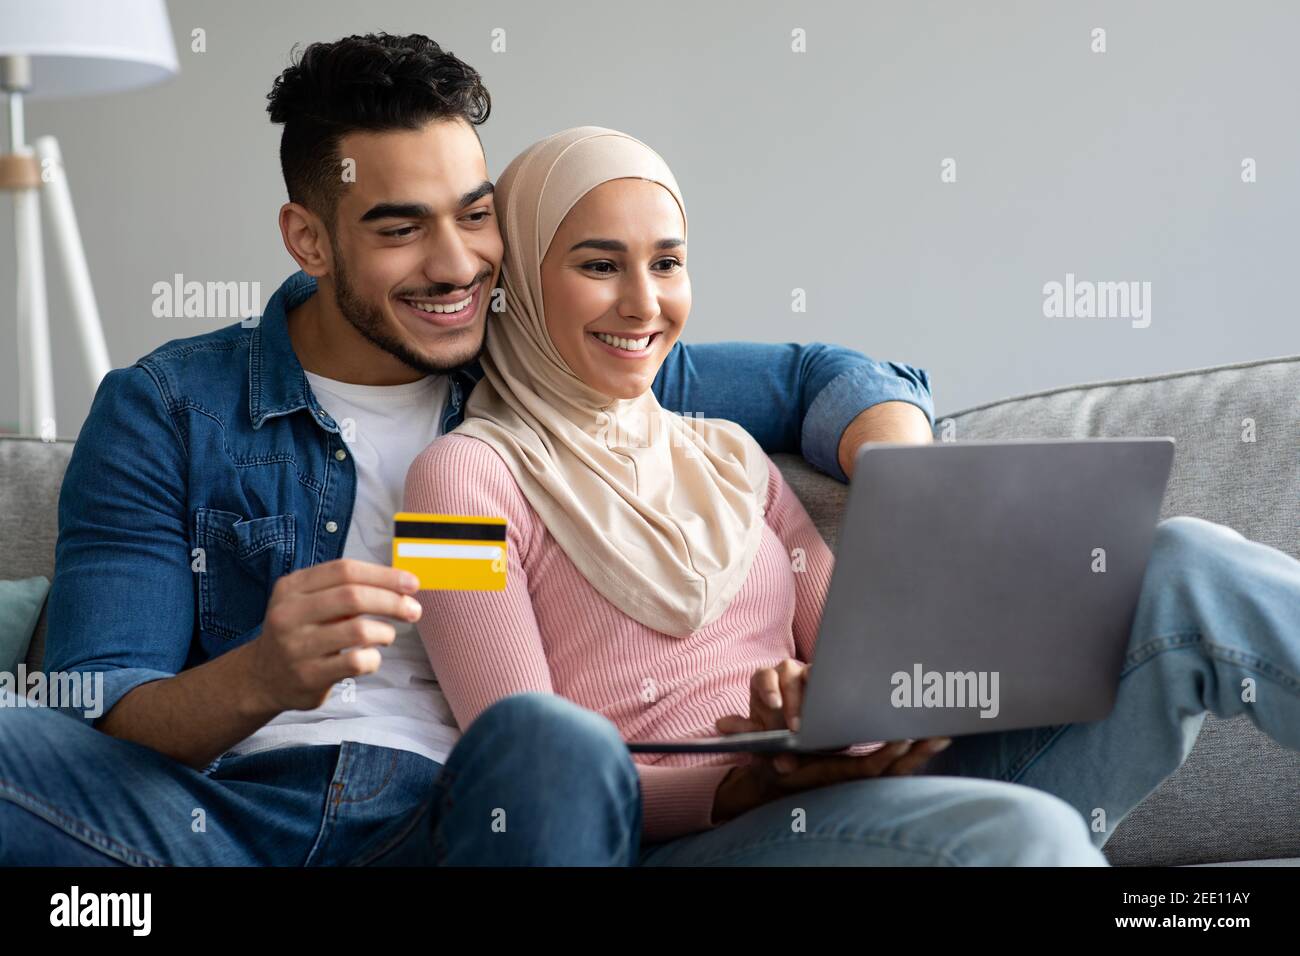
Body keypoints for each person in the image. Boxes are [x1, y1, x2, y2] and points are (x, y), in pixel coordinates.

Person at [0, 35, 934, 865]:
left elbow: (829, 376)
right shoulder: (167, 408)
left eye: (474, 215)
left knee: (549, 738)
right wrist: (259, 677)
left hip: (474, 809)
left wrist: (905, 482)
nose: (456, 266)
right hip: (228, 815)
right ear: (308, 240)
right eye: (400, 228)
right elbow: (102, 699)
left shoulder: (554, 357)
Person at [404, 125, 1300, 865]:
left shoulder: (729, 457)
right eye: (600, 266)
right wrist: (743, 785)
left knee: (1186, 566)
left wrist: (842, 714)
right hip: (686, 842)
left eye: (668, 263)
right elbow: (519, 775)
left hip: (862, 796)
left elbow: (869, 668)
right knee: (1024, 836)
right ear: (517, 280)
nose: (645, 303)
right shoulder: (452, 481)